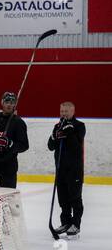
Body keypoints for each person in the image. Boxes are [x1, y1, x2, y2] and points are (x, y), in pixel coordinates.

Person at [48, 101, 84, 238]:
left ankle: (76, 224)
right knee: (63, 199)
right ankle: (66, 223)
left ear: (73, 112)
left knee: (75, 198)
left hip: (74, 169)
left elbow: (76, 146)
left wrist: (70, 133)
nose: (63, 114)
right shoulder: (57, 127)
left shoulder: (80, 126)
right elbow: (50, 146)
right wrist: (55, 136)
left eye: (66, 111)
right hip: (60, 169)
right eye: (62, 111)